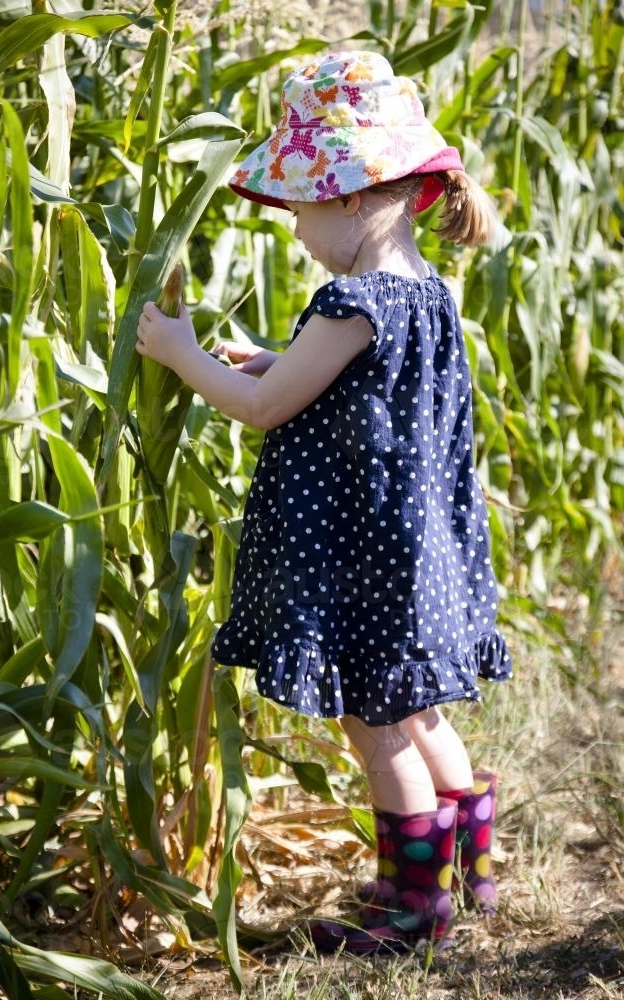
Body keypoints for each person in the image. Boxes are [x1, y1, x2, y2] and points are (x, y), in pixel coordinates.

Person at [136, 50, 512, 955]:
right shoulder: (428, 294)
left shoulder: (350, 299)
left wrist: (182, 355)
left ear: (347, 198)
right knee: (420, 715)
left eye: (300, 206)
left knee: (376, 726)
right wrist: (275, 357)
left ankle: (410, 910)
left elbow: (266, 411)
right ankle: (472, 875)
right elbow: (354, 391)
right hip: (415, 554)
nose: (295, 226)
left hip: (365, 558)